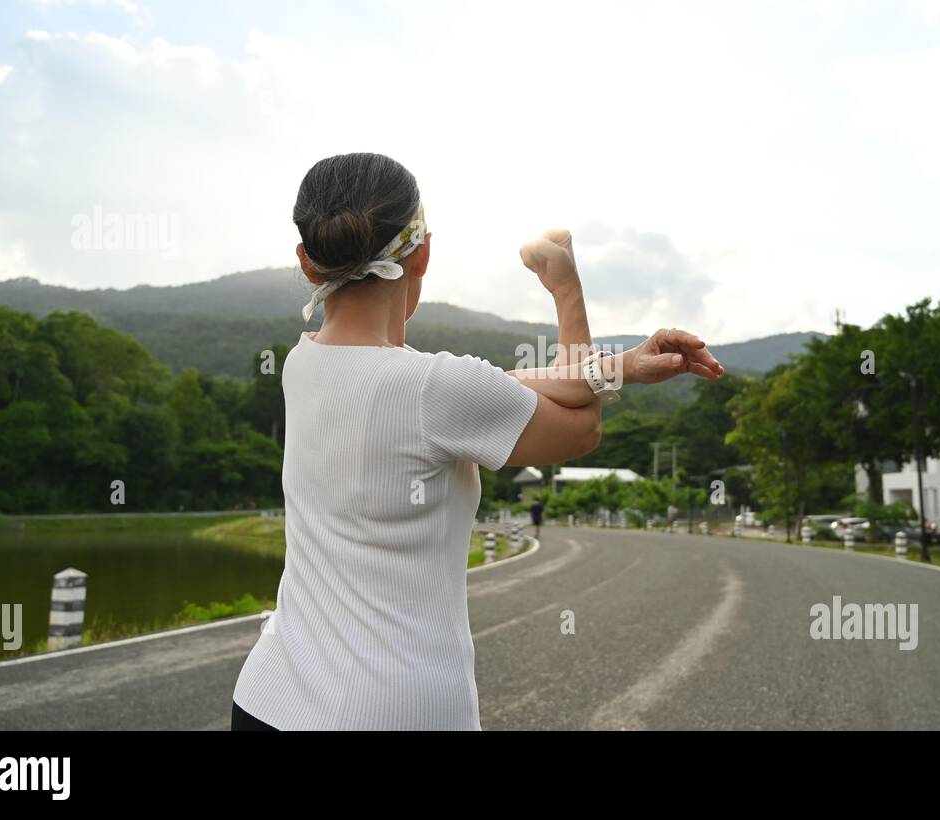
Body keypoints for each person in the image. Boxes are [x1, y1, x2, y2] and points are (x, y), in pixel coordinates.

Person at [231, 152, 723, 730]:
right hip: (391, 713)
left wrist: (624, 367)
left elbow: (483, 391)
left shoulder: (303, 361)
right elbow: (580, 427)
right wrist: (566, 289)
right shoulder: (434, 390)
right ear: (425, 252)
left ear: (308, 263)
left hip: (267, 698)